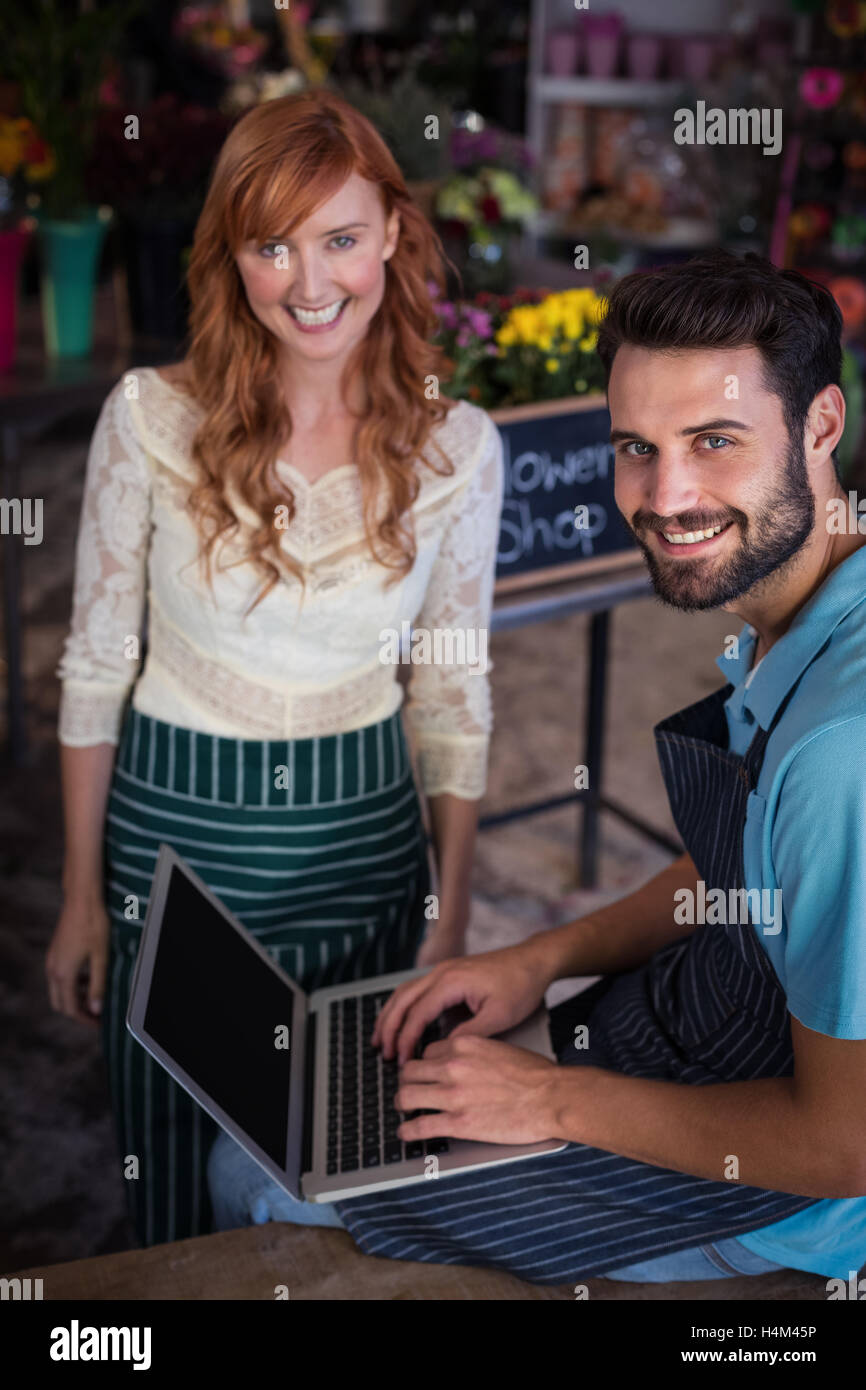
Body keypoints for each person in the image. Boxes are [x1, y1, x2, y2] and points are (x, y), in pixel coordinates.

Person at [209, 251, 866, 1287]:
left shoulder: (843, 748)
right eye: (634, 448)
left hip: (787, 1197)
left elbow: (844, 1144)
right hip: (696, 1025)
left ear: (820, 425)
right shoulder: (818, 610)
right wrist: (537, 958)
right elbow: (758, 867)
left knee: (258, 1170)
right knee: (353, 1086)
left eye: (713, 442)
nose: (666, 495)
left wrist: (545, 1100)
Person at [47, 90, 503, 1248]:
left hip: (366, 844)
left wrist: (445, 920)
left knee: (342, 1189)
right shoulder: (149, 417)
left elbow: (451, 692)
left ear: (394, 234)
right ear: (231, 254)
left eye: (340, 237)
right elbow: (96, 661)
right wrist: (79, 895)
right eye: (272, 244)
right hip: (175, 844)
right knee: (174, 1194)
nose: (310, 281)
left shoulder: (459, 447)